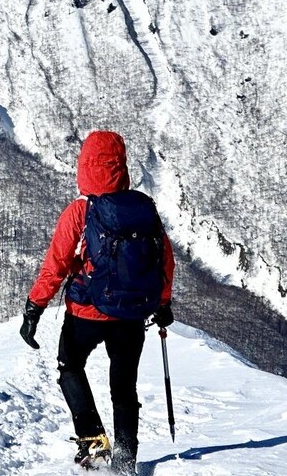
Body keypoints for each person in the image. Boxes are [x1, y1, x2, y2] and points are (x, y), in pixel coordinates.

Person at [19, 130, 175, 474]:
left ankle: (94, 444)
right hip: (132, 314)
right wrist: (162, 304)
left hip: (86, 312)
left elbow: (56, 264)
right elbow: (165, 259)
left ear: (84, 166)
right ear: (121, 165)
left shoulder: (81, 211)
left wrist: (35, 308)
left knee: (70, 365)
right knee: (124, 385)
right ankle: (125, 458)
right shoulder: (143, 209)